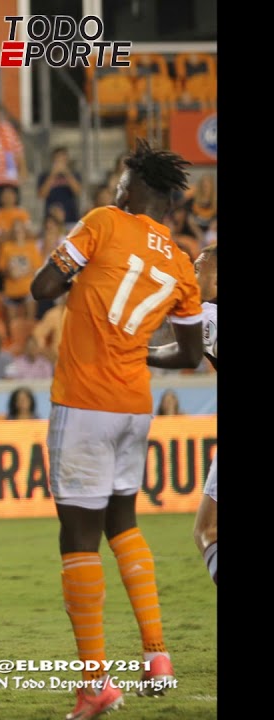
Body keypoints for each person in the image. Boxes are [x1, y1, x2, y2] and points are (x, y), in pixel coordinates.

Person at [30, 139, 202, 718]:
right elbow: (188, 356)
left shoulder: (104, 221)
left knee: (77, 538)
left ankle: (95, 683)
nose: (116, 190)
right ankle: (157, 656)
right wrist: (137, 353)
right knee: (123, 524)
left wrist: (78, 283)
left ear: (134, 190)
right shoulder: (181, 262)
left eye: (123, 182)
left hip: (84, 400)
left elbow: (42, 288)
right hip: (134, 404)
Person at [152, 243, 216, 584]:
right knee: (207, 530)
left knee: (207, 530)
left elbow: (184, 352)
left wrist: (134, 351)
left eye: (197, 268)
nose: (190, 274)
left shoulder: (208, 315)